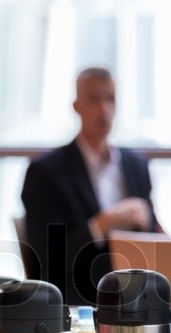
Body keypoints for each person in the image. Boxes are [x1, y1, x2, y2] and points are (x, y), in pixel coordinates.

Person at [22, 67, 162, 305]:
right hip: (80, 296)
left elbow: (151, 232)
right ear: (76, 106)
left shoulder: (136, 165)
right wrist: (101, 225)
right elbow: (45, 259)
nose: (104, 109)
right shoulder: (46, 172)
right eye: (94, 99)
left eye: (111, 99)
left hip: (138, 295)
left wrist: (154, 228)